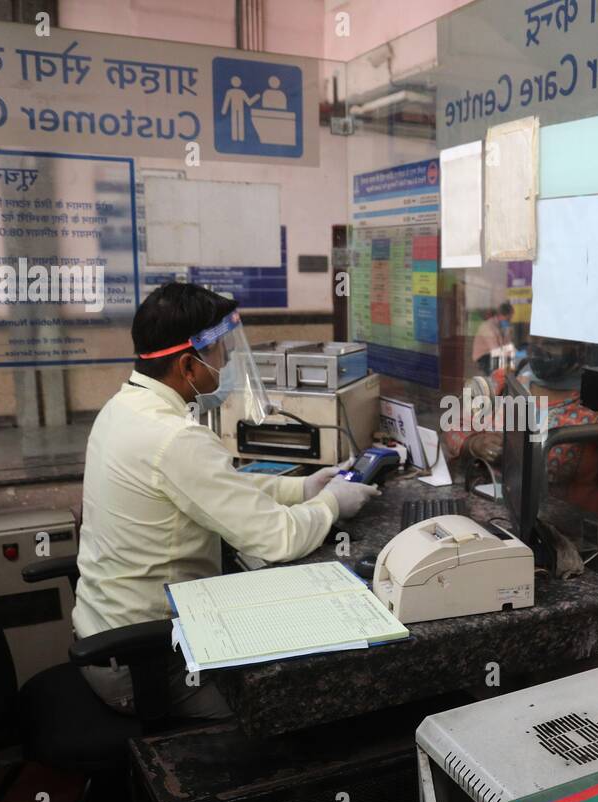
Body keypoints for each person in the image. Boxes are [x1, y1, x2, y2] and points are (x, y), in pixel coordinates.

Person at [72, 283, 378, 718]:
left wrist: (302, 489)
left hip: (107, 640)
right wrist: (331, 504)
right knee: (311, 696)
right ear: (186, 365)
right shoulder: (174, 438)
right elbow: (278, 540)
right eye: (218, 352)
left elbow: (217, 486)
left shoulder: (124, 408)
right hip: (151, 666)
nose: (228, 361)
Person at [471, 302, 514, 374]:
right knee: (506, 369)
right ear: (501, 315)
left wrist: (507, 333)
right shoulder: (488, 327)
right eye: (509, 318)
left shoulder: (502, 325)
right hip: (484, 357)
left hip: (496, 354)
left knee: (512, 365)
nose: (510, 320)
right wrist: (512, 354)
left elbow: (507, 345)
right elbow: (495, 350)